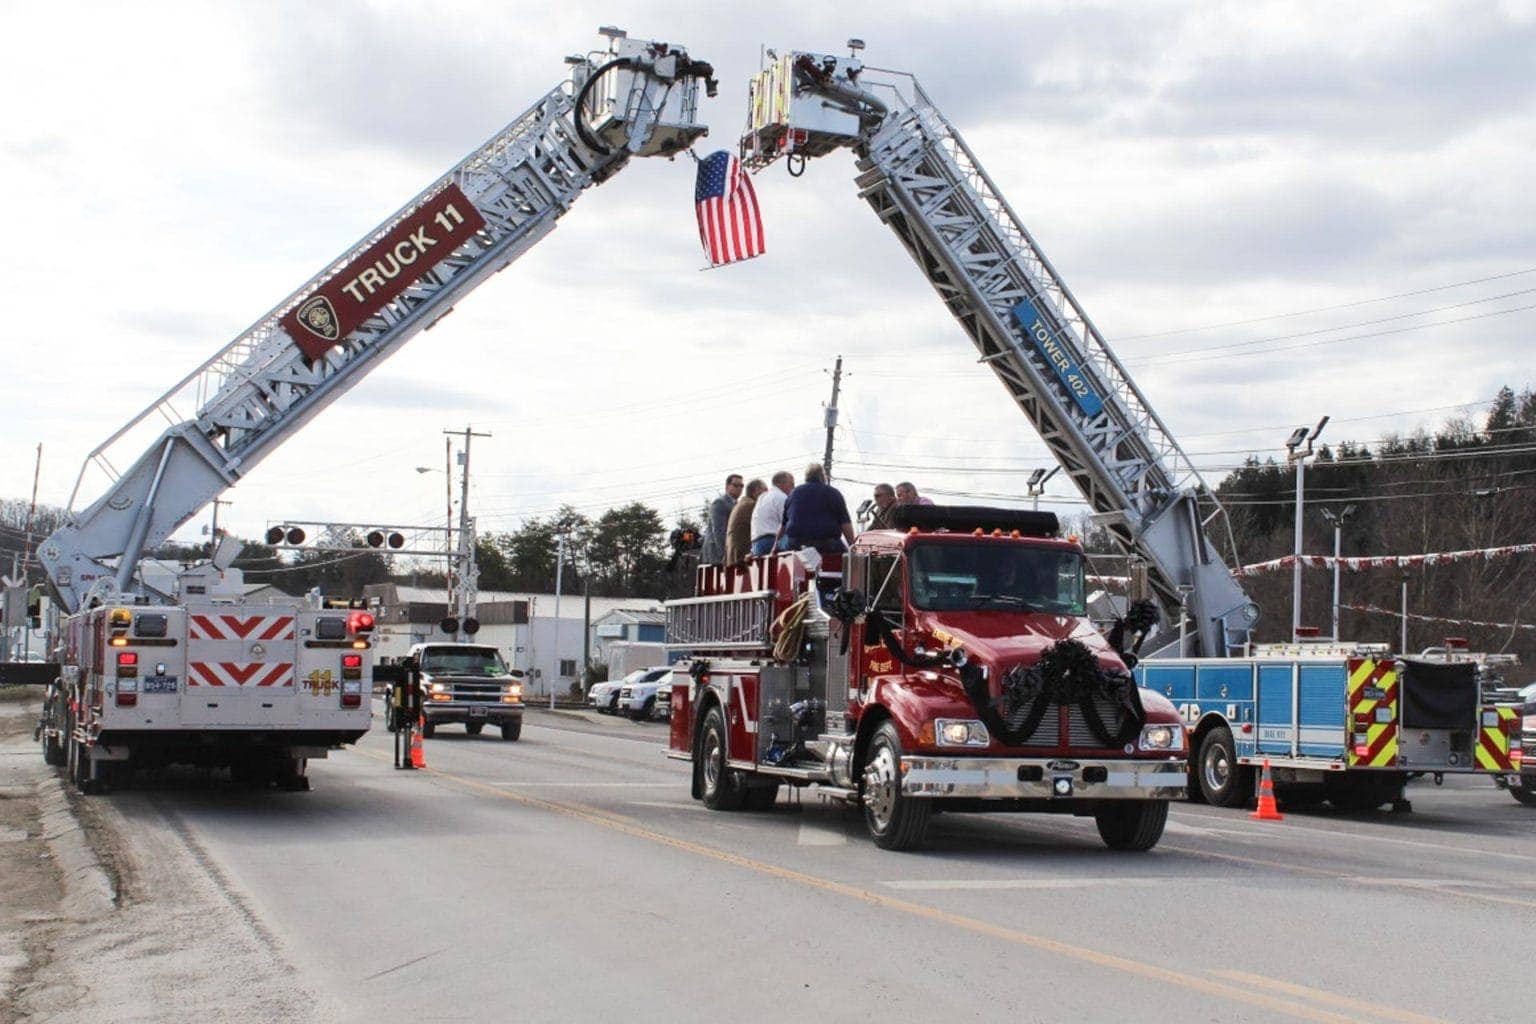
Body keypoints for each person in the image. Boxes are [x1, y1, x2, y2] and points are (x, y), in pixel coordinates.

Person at [780, 462, 855, 555]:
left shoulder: (793, 494)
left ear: (806, 477)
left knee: (785, 545)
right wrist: (852, 546)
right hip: (826, 545)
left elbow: (783, 525)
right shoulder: (833, 493)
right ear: (822, 477)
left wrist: (774, 547)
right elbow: (845, 524)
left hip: (796, 544)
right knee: (845, 556)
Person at [700, 474, 742, 564]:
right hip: (716, 554)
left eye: (741, 486)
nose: (739, 488)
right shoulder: (720, 503)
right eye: (735, 485)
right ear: (727, 486)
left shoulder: (737, 504)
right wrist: (725, 554)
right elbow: (719, 531)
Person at [751, 470, 793, 556]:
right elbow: (788, 524)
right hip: (770, 542)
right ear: (782, 484)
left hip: (756, 545)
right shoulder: (781, 497)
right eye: (791, 484)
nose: (793, 487)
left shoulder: (762, 497)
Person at [724, 478, 766, 566]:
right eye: (765, 490)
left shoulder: (741, 503)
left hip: (733, 555)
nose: (767, 493)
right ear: (756, 491)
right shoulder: (752, 505)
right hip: (743, 556)